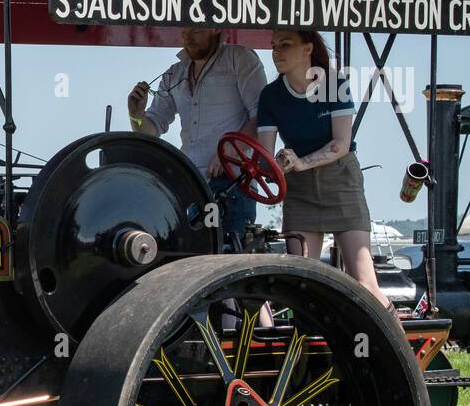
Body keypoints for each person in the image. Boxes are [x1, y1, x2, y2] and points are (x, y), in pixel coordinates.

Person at [256, 29, 392, 311]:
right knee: (302, 283)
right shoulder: (270, 96)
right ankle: (308, 352)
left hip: (341, 180)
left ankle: (403, 350)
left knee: (366, 283)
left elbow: (341, 144)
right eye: (273, 45)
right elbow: (265, 158)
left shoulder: (335, 84)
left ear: (307, 49)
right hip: (299, 189)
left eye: (285, 44)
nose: (276, 52)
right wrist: (279, 164)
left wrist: (303, 162)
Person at [128, 27, 268, 246]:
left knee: (227, 260)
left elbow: (263, 114)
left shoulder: (239, 58)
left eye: (196, 28)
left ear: (216, 27)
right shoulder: (174, 73)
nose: (188, 36)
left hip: (232, 183)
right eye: (184, 30)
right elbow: (151, 129)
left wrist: (231, 150)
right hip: (191, 186)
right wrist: (136, 114)